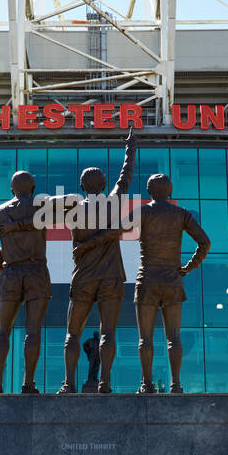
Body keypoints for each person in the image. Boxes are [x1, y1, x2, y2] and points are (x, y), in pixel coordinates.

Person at [55, 130, 136, 395]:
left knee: (72, 334)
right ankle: (105, 383)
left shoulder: (73, 208)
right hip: (111, 278)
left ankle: (69, 384)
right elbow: (125, 178)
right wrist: (130, 149)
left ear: (81, 186)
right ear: (103, 185)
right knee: (108, 334)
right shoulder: (113, 203)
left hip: (84, 278)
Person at [0, 170, 53, 393]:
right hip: (36, 272)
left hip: (10, 273)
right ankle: (28, 384)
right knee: (33, 331)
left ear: (11, 190)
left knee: (2, 332)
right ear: (33, 188)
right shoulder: (42, 207)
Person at [133, 173, 211, 394]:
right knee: (173, 337)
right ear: (170, 191)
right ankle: (175, 385)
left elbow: (117, 229)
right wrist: (188, 267)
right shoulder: (181, 214)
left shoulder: (143, 212)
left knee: (145, 338)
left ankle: (146, 385)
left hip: (147, 280)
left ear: (149, 191)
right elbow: (205, 242)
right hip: (172, 281)